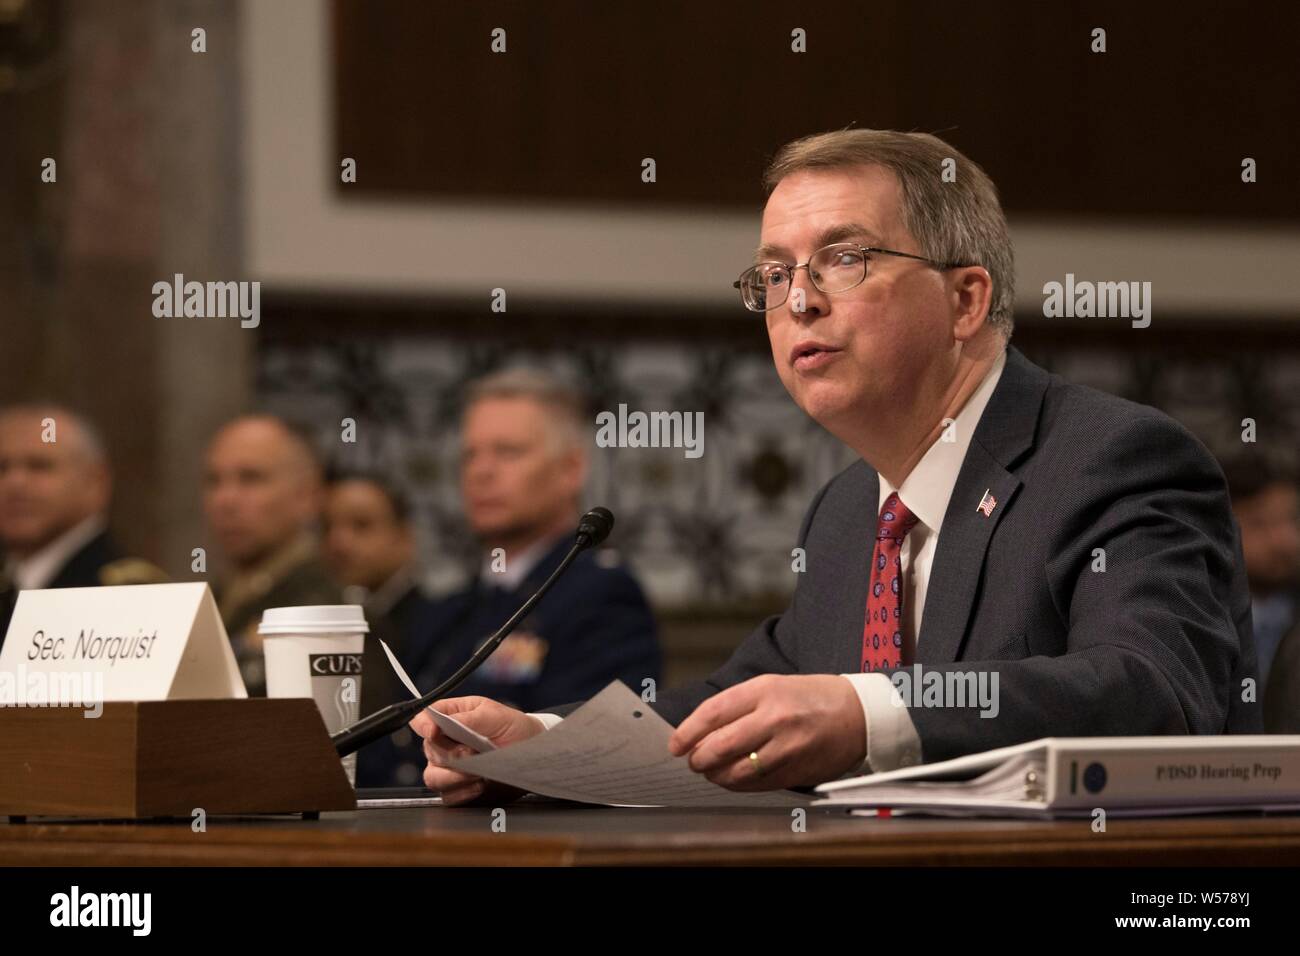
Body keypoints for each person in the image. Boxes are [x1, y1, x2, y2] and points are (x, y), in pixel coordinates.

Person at [413, 128, 1261, 805]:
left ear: (965, 300)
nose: (798, 301)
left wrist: (865, 713)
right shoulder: (851, 510)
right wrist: (543, 745)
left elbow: (1156, 693)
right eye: (775, 274)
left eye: (843, 259)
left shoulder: (1115, 459)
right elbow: (736, 700)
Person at [409, 368, 660, 716]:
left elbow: (592, 742)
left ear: (570, 470)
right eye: (470, 455)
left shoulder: (599, 595)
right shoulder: (449, 611)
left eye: (508, 452)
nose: (481, 471)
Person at [0, 404, 167, 645]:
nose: (15, 483)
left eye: (39, 466)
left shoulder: (129, 593)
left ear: (95, 482)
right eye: (2, 468)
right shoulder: (11, 585)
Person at [202, 414, 340, 695]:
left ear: (307, 495)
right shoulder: (210, 600)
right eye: (214, 481)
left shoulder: (330, 613)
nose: (225, 500)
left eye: (251, 479)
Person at [323, 471, 437, 786]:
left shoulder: (437, 622)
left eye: (361, 525)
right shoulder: (327, 618)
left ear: (404, 536)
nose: (338, 542)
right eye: (329, 527)